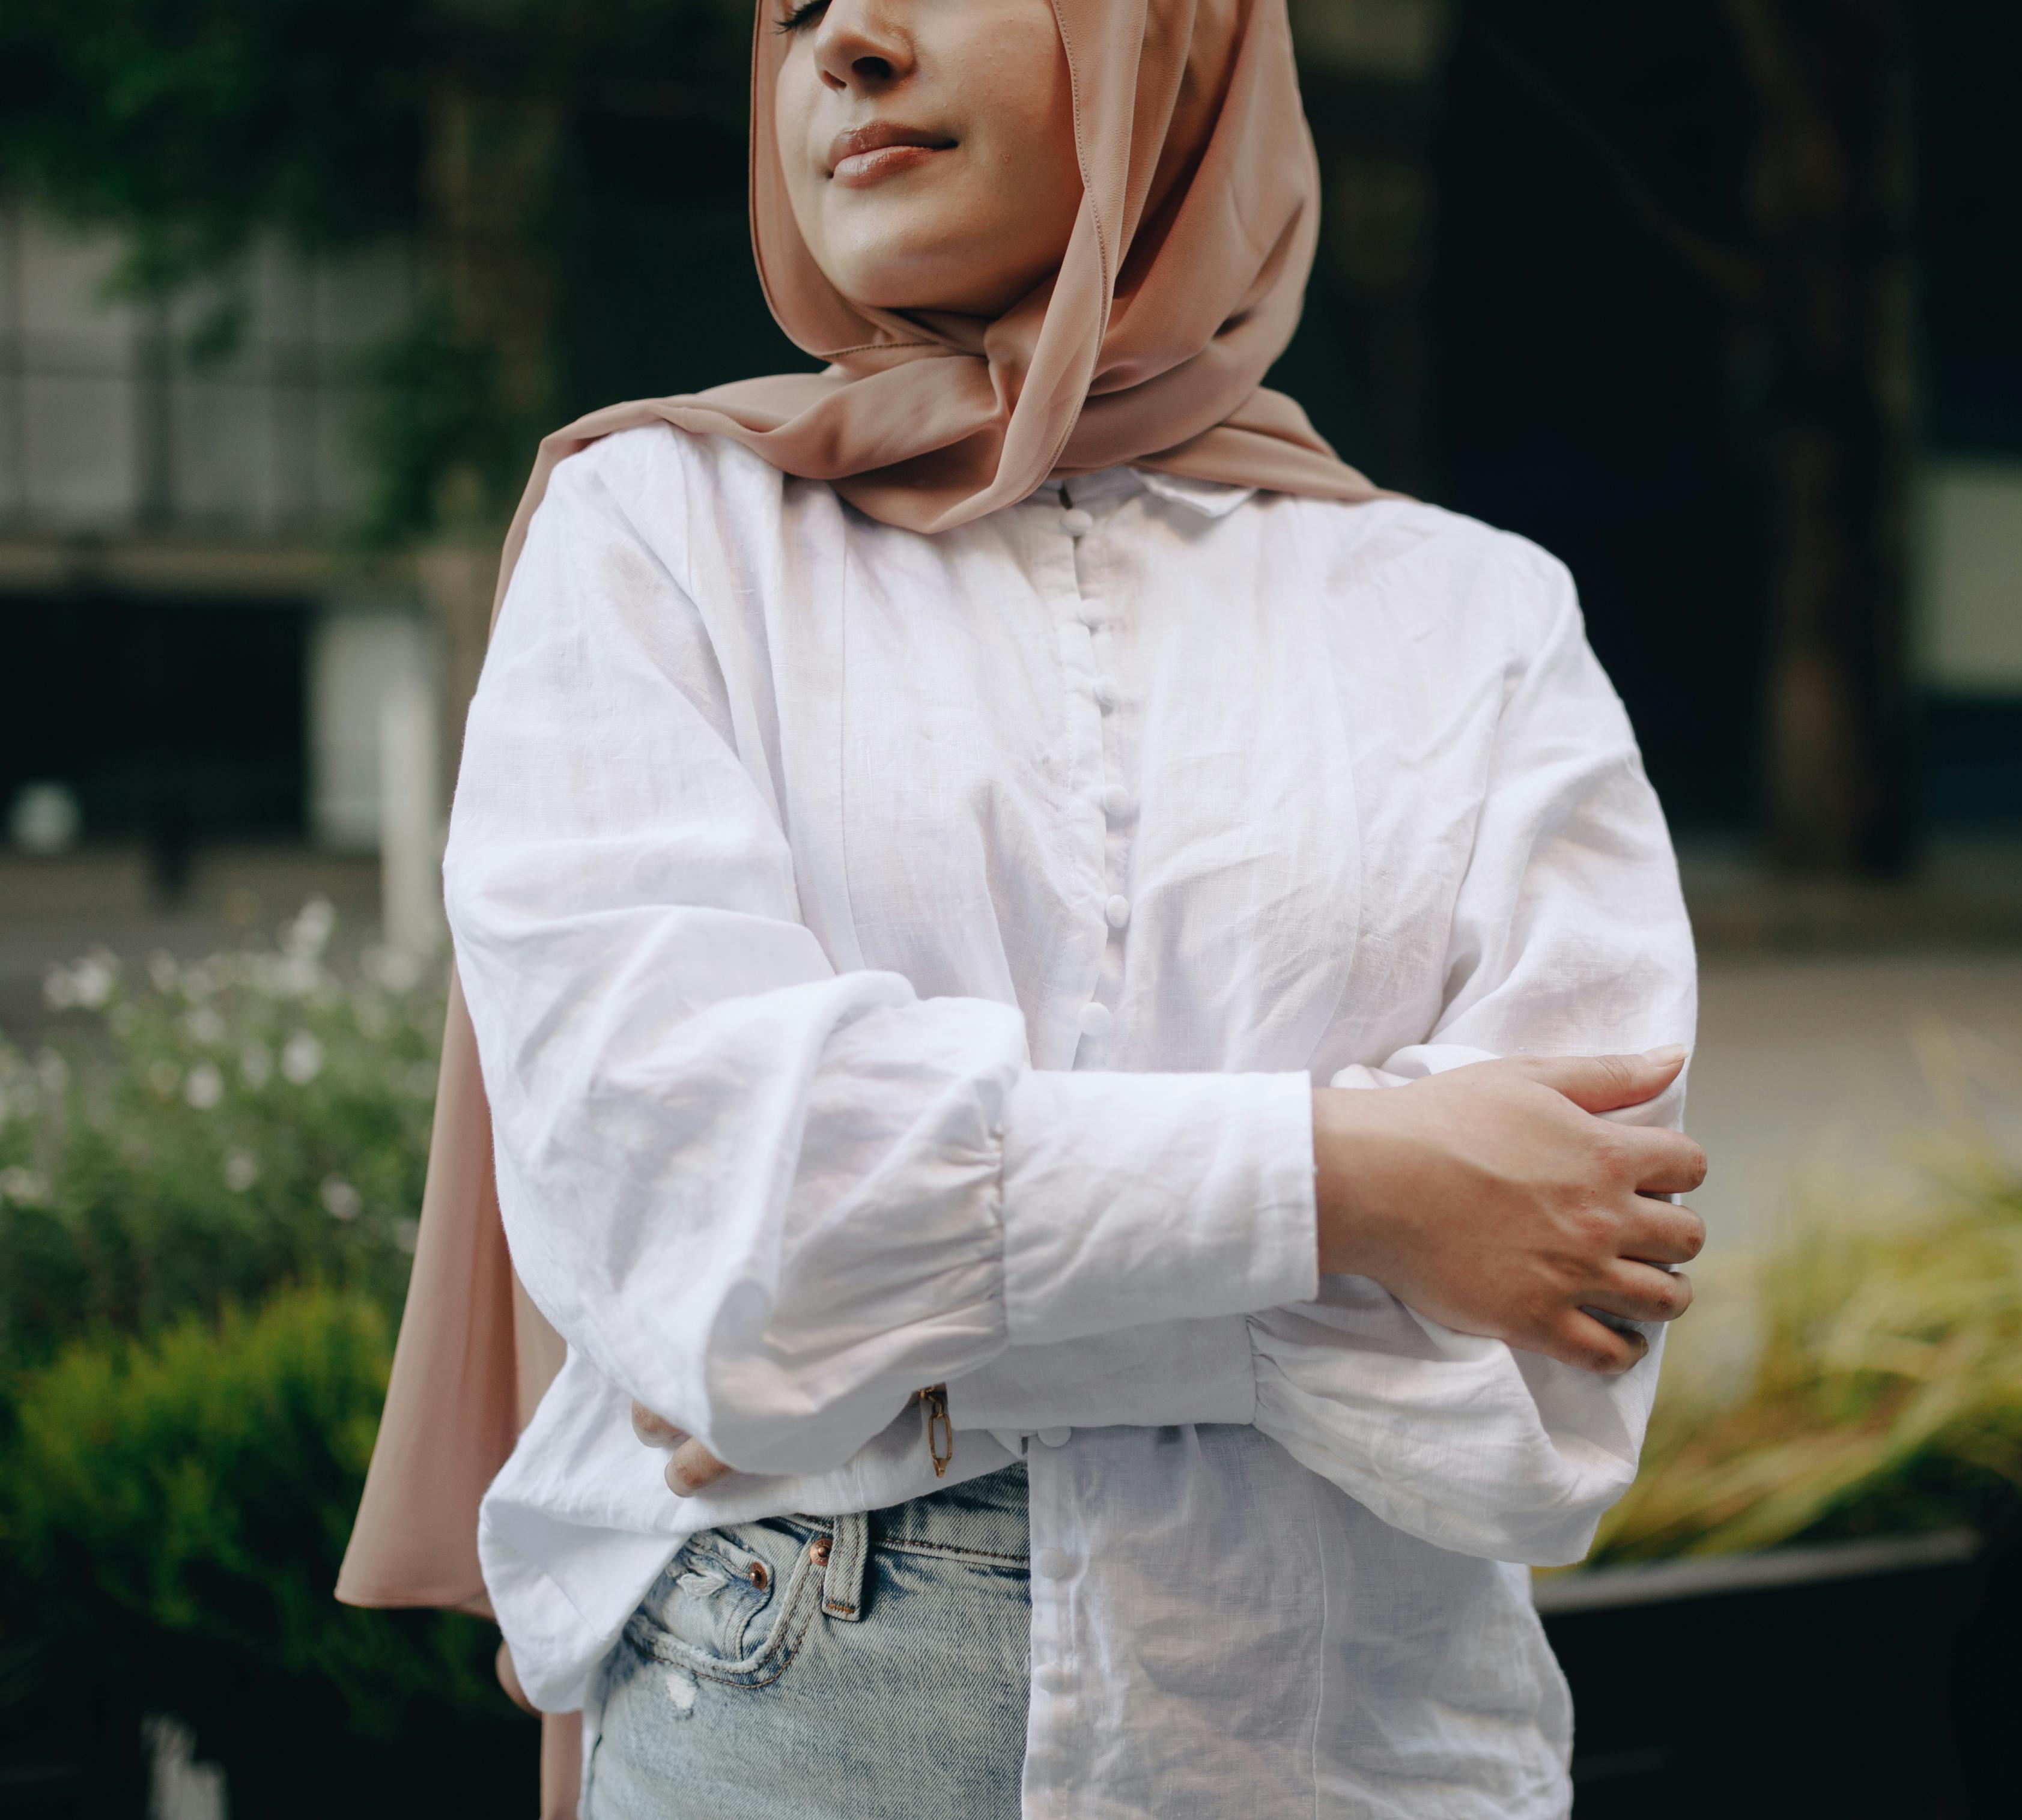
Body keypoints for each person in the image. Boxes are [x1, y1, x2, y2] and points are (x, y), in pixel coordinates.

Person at [337, 2, 1705, 1815]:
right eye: (801, 9)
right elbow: (709, 1228)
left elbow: (1547, 1407)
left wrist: (896, 1336)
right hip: (804, 1714)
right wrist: (1365, 1191)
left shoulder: (1475, 615)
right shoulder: (659, 533)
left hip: (1357, 1746)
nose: (848, 50)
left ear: (1179, 50)